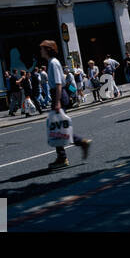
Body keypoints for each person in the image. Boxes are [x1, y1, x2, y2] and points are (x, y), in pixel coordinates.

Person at [39, 39, 92, 168]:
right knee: (58, 126)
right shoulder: (52, 62)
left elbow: (58, 83)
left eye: (42, 49)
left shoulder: (53, 63)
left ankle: (64, 156)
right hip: (57, 94)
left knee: (57, 127)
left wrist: (56, 101)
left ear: (47, 49)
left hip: (58, 94)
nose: (40, 51)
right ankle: (70, 150)